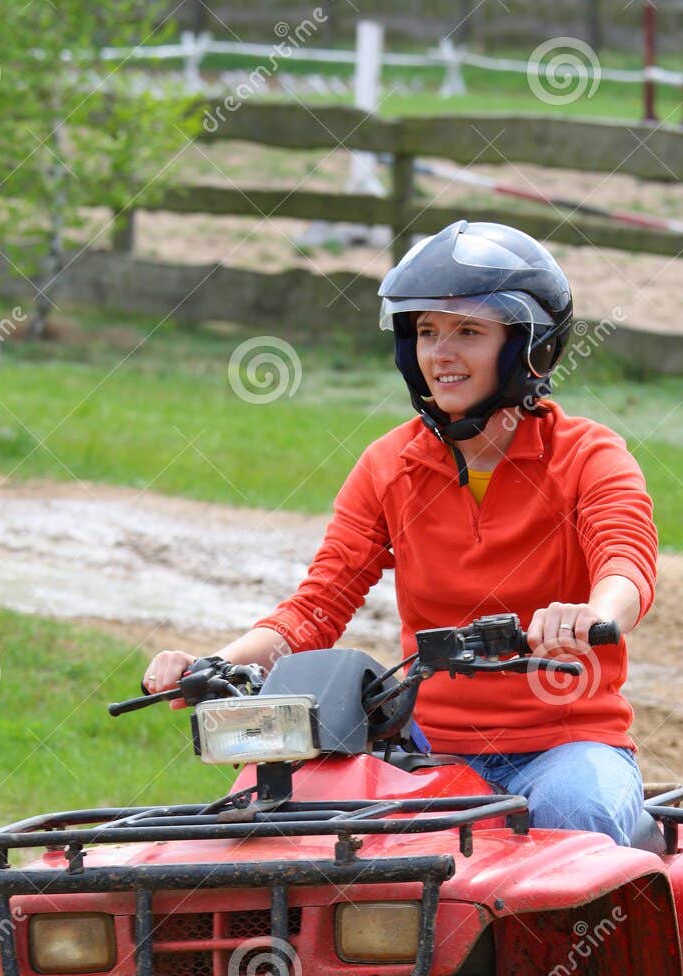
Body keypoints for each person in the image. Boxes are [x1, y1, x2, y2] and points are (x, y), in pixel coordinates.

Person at [144, 220, 656, 845]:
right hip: (429, 750)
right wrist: (215, 662)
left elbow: (625, 562)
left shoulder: (589, 455)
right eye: (426, 332)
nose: (441, 353)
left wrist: (590, 614)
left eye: (469, 331)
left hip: (568, 747)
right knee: (298, 820)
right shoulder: (390, 465)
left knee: (574, 820)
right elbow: (317, 606)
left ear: (530, 347)